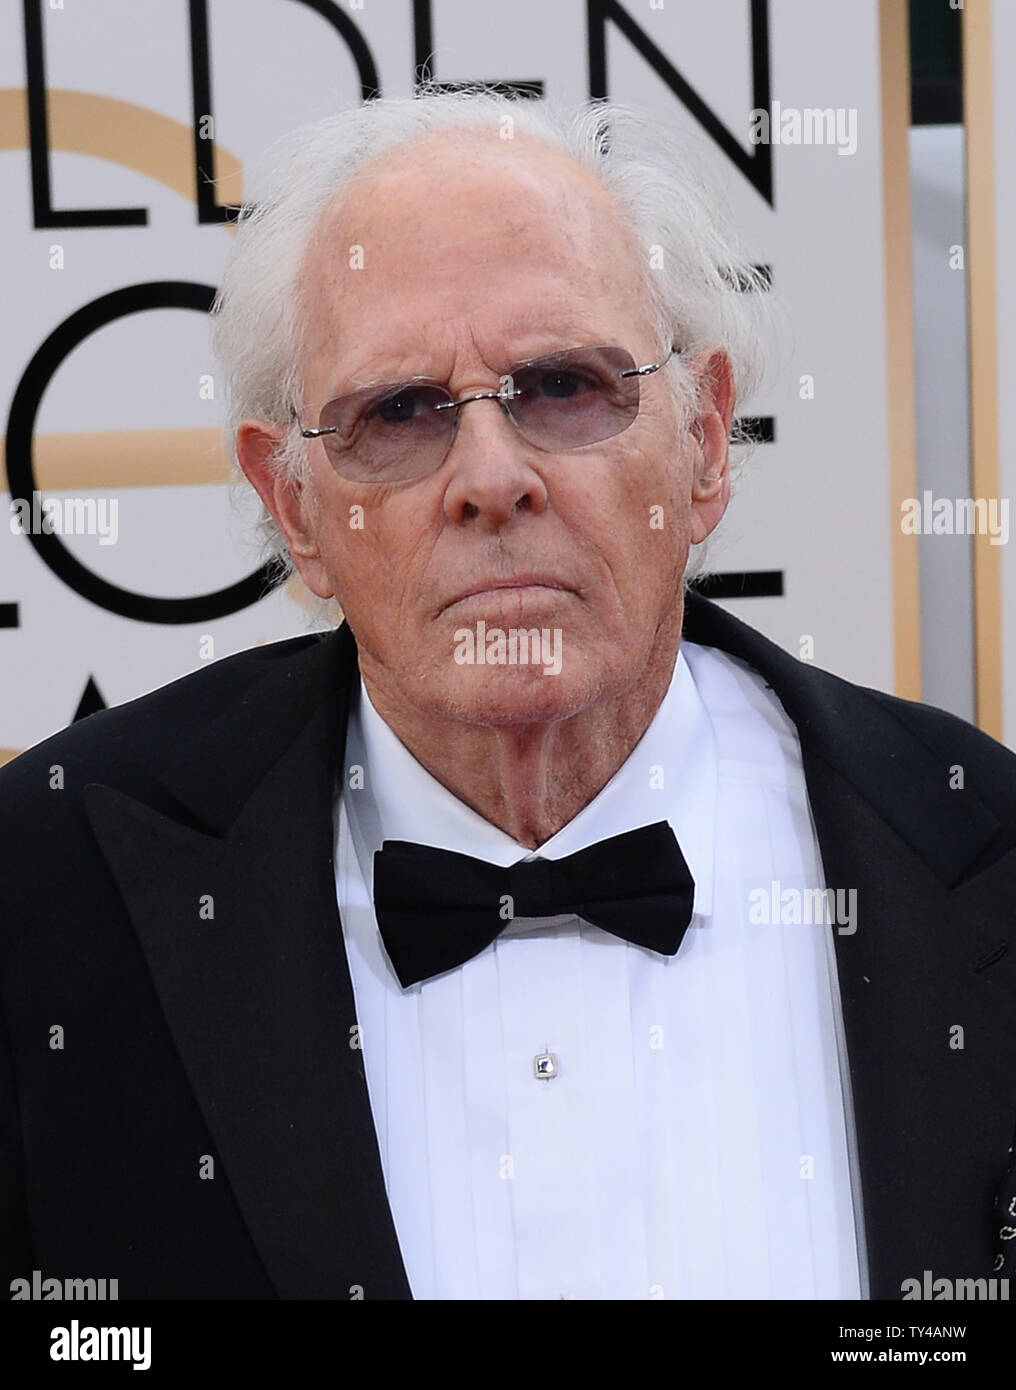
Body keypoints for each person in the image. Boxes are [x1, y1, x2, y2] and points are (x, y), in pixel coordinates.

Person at [3, 90, 1016, 1302]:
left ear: (700, 446)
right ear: (297, 513)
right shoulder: (46, 894)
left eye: (563, 387)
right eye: (399, 412)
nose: (491, 478)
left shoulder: (980, 848)